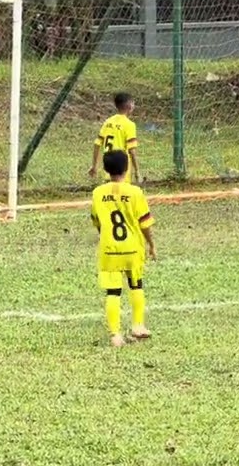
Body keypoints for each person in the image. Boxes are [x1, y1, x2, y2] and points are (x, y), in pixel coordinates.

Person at [91, 149, 157, 348]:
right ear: (127, 168)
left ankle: (115, 335)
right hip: (132, 249)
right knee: (136, 285)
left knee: (113, 292)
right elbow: (144, 223)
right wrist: (151, 245)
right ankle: (138, 326)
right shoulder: (135, 192)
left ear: (105, 169)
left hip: (110, 249)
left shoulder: (98, 193)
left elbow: (97, 222)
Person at [90, 92, 141, 183]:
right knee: (122, 194)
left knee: (110, 192)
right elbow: (132, 151)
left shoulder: (108, 122)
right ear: (130, 106)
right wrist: (137, 171)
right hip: (122, 168)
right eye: (133, 103)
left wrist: (94, 166)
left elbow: (97, 144)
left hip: (108, 166)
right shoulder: (129, 125)